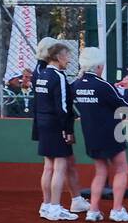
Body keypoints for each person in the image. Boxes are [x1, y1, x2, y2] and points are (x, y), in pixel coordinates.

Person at [71, 47, 128, 221]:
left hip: (90, 135)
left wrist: (113, 90)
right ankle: (117, 210)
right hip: (110, 133)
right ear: (98, 66)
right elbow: (127, 106)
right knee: (122, 169)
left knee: (100, 171)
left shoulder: (77, 84)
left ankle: (93, 210)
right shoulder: (102, 85)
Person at [32, 37, 88, 213]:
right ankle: (55, 206)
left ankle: (50, 204)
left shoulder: (40, 73)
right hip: (57, 125)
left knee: (51, 166)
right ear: (54, 55)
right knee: (60, 165)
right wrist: (68, 129)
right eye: (65, 55)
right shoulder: (56, 75)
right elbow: (62, 103)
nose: (69, 59)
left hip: (43, 123)